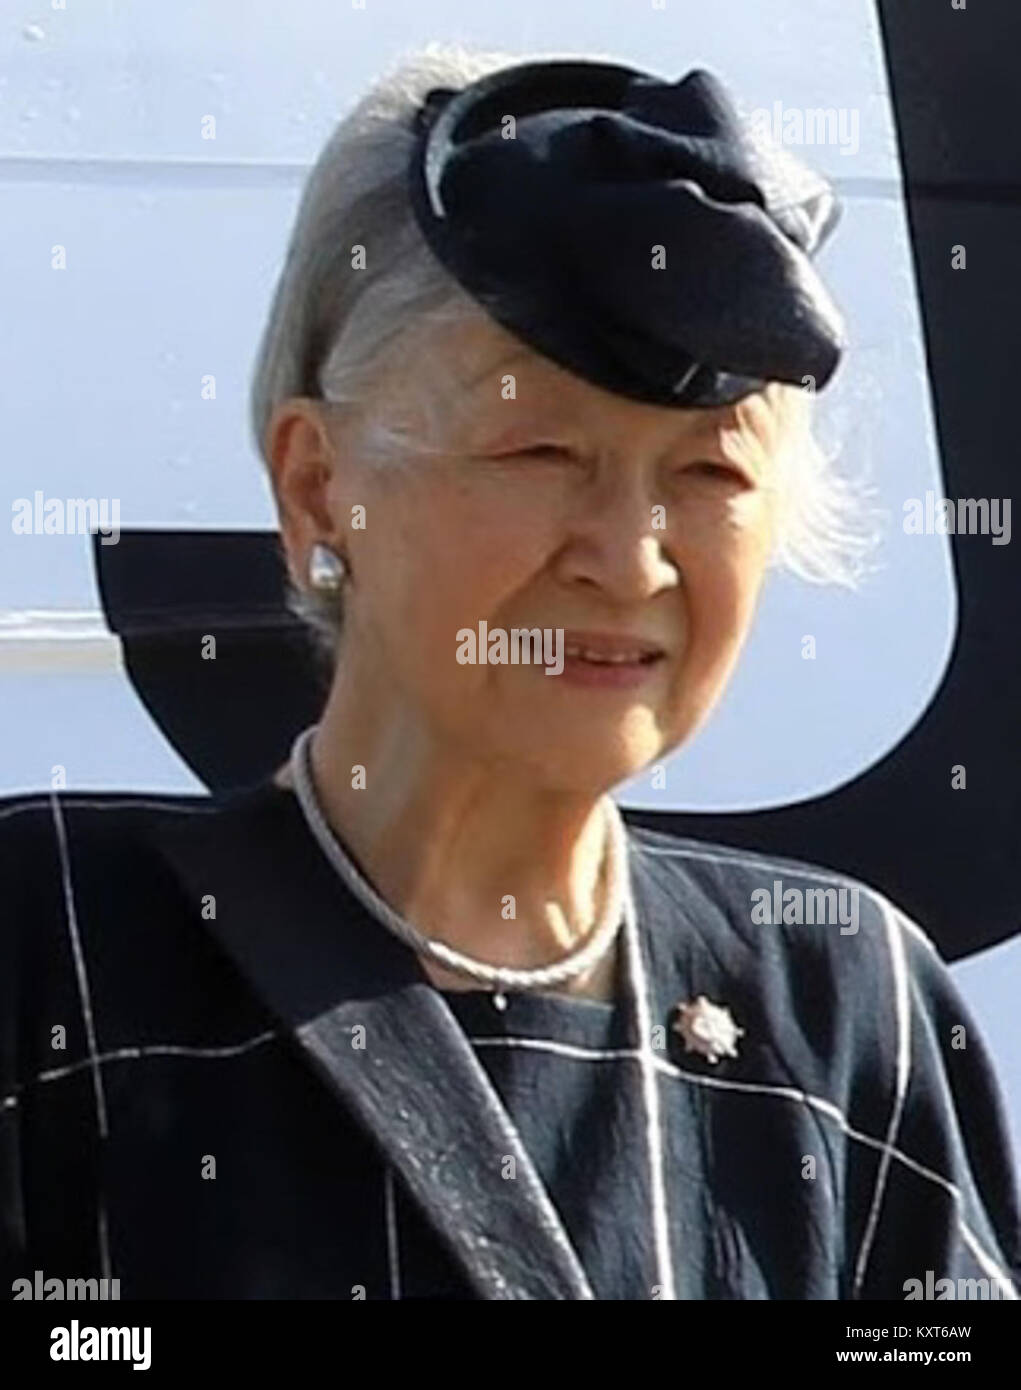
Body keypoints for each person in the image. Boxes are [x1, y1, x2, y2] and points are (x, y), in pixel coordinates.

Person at [1, 45, 1017, 1302]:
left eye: (709, 473)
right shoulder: (61, 945)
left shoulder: (846, 1013)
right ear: (320, 486)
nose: (628, 556)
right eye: (539, 449)